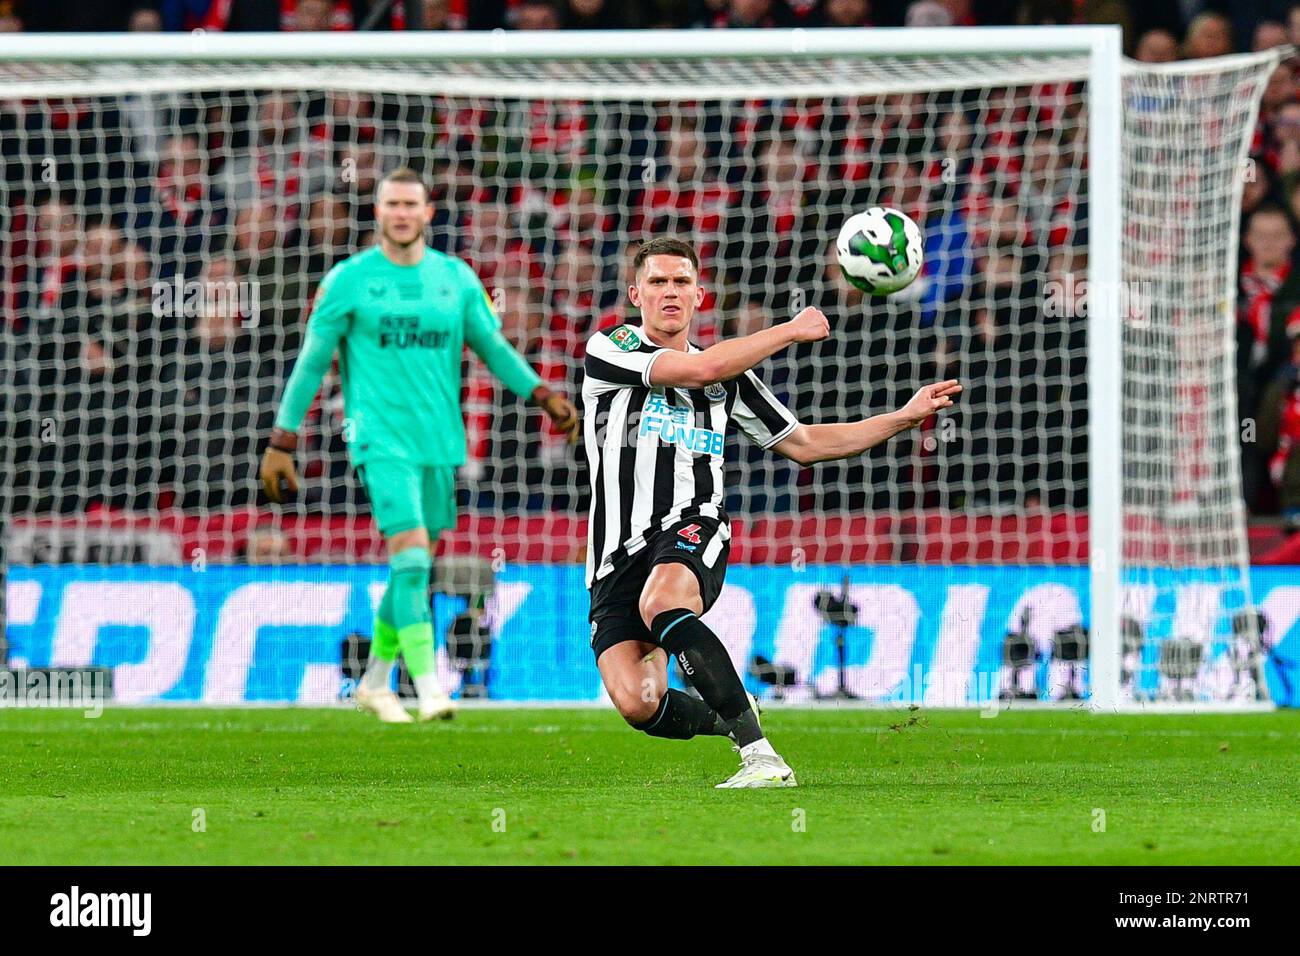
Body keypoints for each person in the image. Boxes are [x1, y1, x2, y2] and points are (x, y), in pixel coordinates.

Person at [581, 237, 960, 787]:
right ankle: (734, 703)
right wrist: (789, 329)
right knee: (640, 703)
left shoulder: (729, 379)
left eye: (681, 282)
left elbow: (804, 443)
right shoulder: (611, 347)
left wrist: (902, 418)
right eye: (658, 282)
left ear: (699, 296)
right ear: (636, 294)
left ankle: (759, 756)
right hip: (615, 551)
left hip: (692, 525)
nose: (670, 292)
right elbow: (696, 370)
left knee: (663, 600)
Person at [259, 167, 579, 723]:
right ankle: (429, 687)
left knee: (413, 566)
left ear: (428, 213)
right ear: (378, 213)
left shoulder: (455, 278)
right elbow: (312, 361)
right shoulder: (348, 280)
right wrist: (283, 439)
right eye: (392, 205)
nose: (402, 213)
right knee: (409, 554)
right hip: (378, 438)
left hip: (438, 440)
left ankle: (376, 682)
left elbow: (493, 347)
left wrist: (541, 393)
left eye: (411, 204)